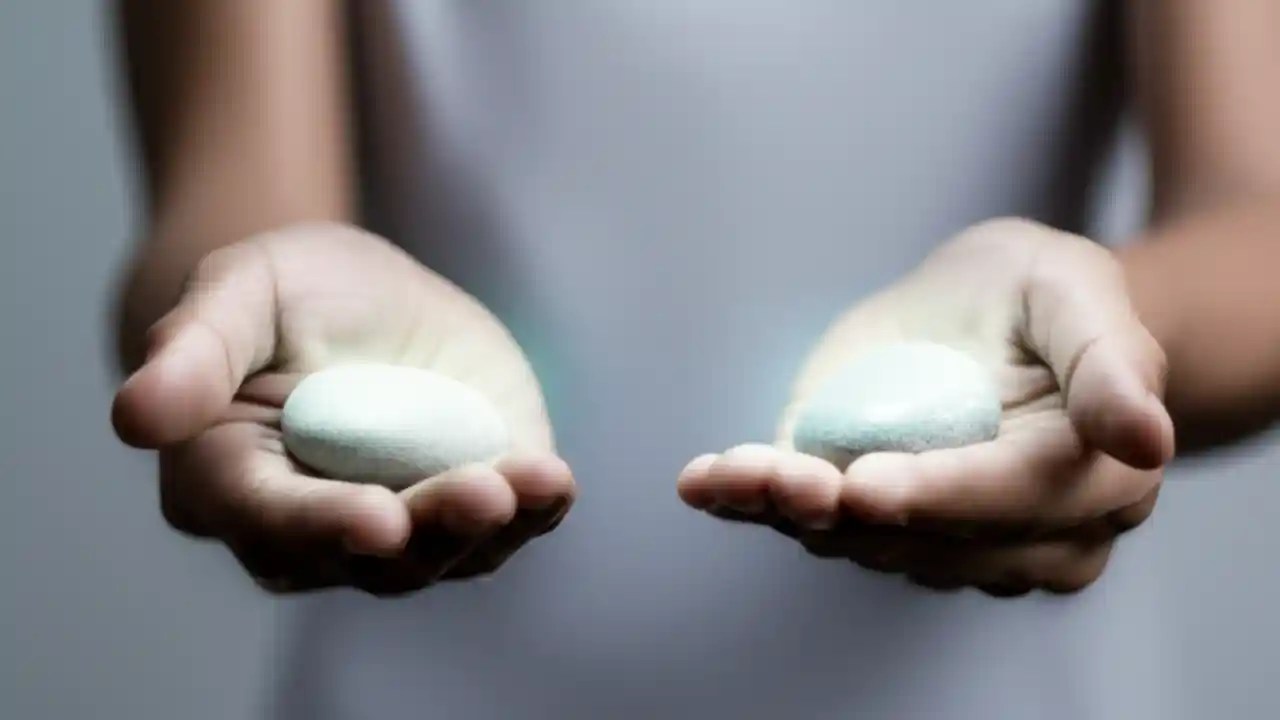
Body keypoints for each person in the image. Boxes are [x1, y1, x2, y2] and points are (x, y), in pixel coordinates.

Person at [110, 1, 1280, 717]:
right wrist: (231, 319)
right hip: (418, 690)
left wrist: (1115, 333)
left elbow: (1259, 229)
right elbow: (220, 227)